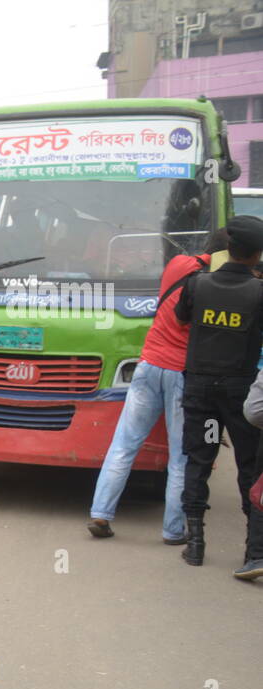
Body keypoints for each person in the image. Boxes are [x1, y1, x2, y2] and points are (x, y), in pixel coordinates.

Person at [87, 230, 228, 544]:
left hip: (148, 364)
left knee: (124, 444)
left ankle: (100, 513)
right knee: (181, 456)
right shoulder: (218, 288)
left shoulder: (178, 264)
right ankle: (173, 530)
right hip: (183, 374)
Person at [174, 215, 263, 579]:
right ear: (257, 254)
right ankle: (253, 551)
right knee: (248, 466)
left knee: (200, 458)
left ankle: (195, 545)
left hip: (202, 393)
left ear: (228, 248)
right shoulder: (259, 291)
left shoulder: (197, 284)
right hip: (239, 397)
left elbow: (181, 319)